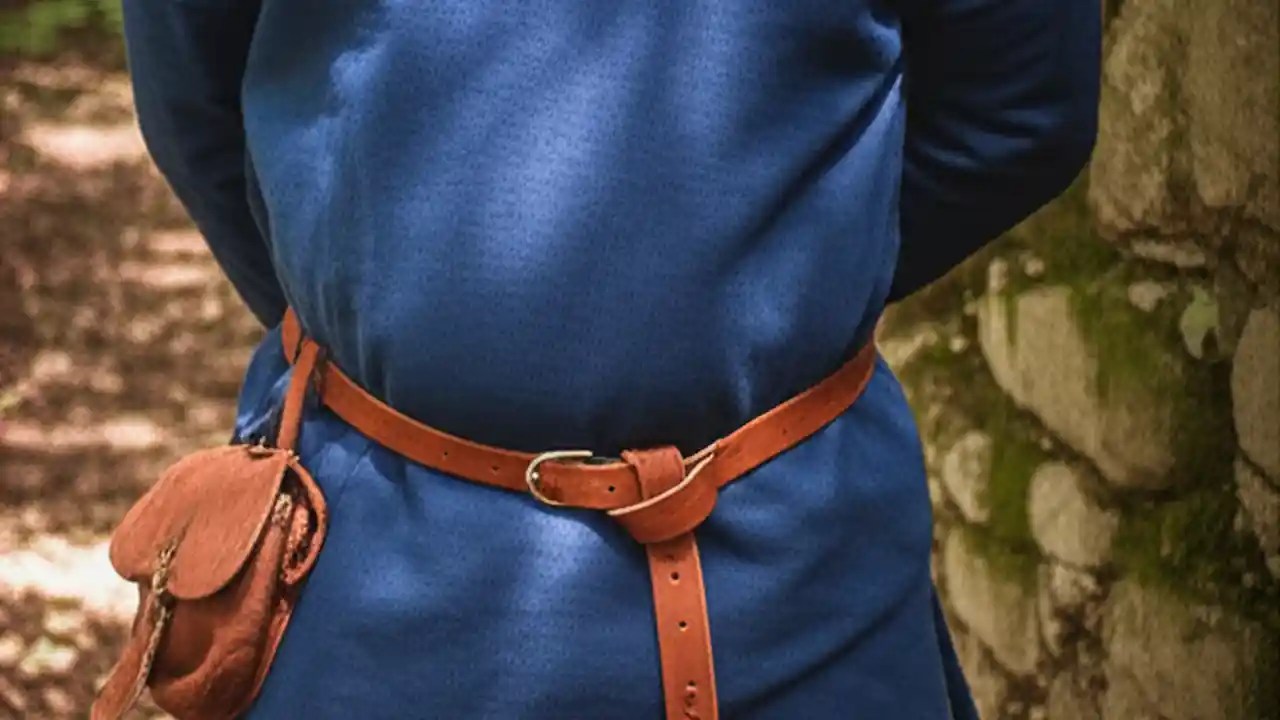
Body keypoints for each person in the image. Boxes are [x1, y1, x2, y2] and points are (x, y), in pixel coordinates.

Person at [118, 1, 1099, 717]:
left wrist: (770, 293)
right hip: (367, 573)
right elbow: (194, 103)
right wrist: (393, 334)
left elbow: (1017, 111)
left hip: (799, 583)